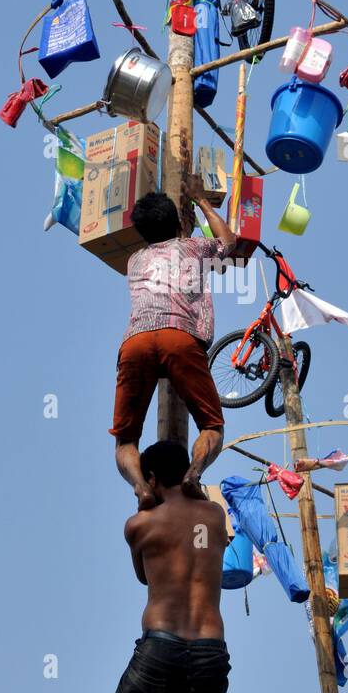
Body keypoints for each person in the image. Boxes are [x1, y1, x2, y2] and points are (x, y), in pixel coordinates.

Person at [95, 440, 231, 693]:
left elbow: (143, 576)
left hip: (159, 647)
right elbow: (204, 544)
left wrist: (147, 504)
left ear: (150, 479)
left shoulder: (139, 526)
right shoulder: (211, 517)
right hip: (209, 650)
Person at [111, 185, 236, 510]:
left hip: (136, 342)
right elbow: (229, 242)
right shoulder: (192, 248)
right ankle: (193, 474)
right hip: (180, 337)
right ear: (178, 225)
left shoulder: (134, 261)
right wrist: (201, 202)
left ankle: (140, 488)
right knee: (211, 426)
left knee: (126, 440)